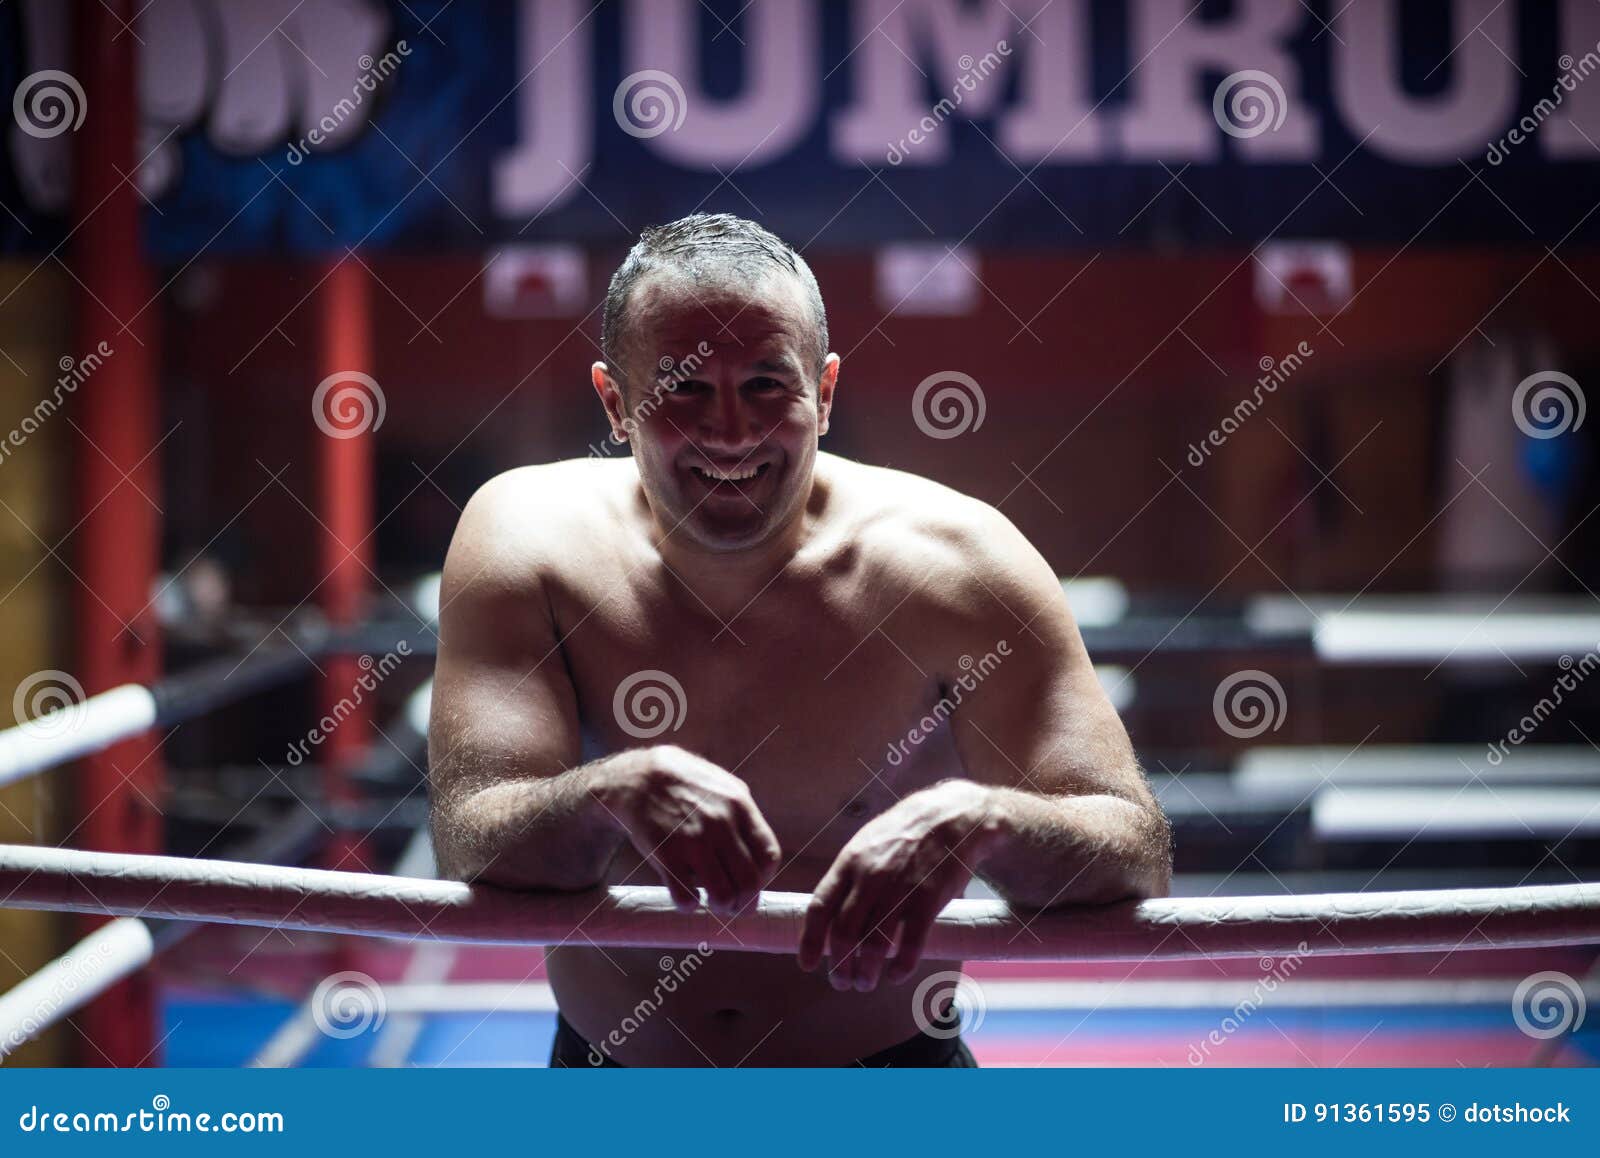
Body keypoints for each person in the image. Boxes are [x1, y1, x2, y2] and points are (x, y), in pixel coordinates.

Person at [426, 213, 1171, 1066]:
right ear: (615, 403)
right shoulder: (527, 539)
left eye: (767, 386)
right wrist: (610, 794)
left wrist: (985, 818)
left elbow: (1134, 852)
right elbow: (472, 839)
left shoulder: (958, 564)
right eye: (685, 389)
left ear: (824, 391)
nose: (732, 433)